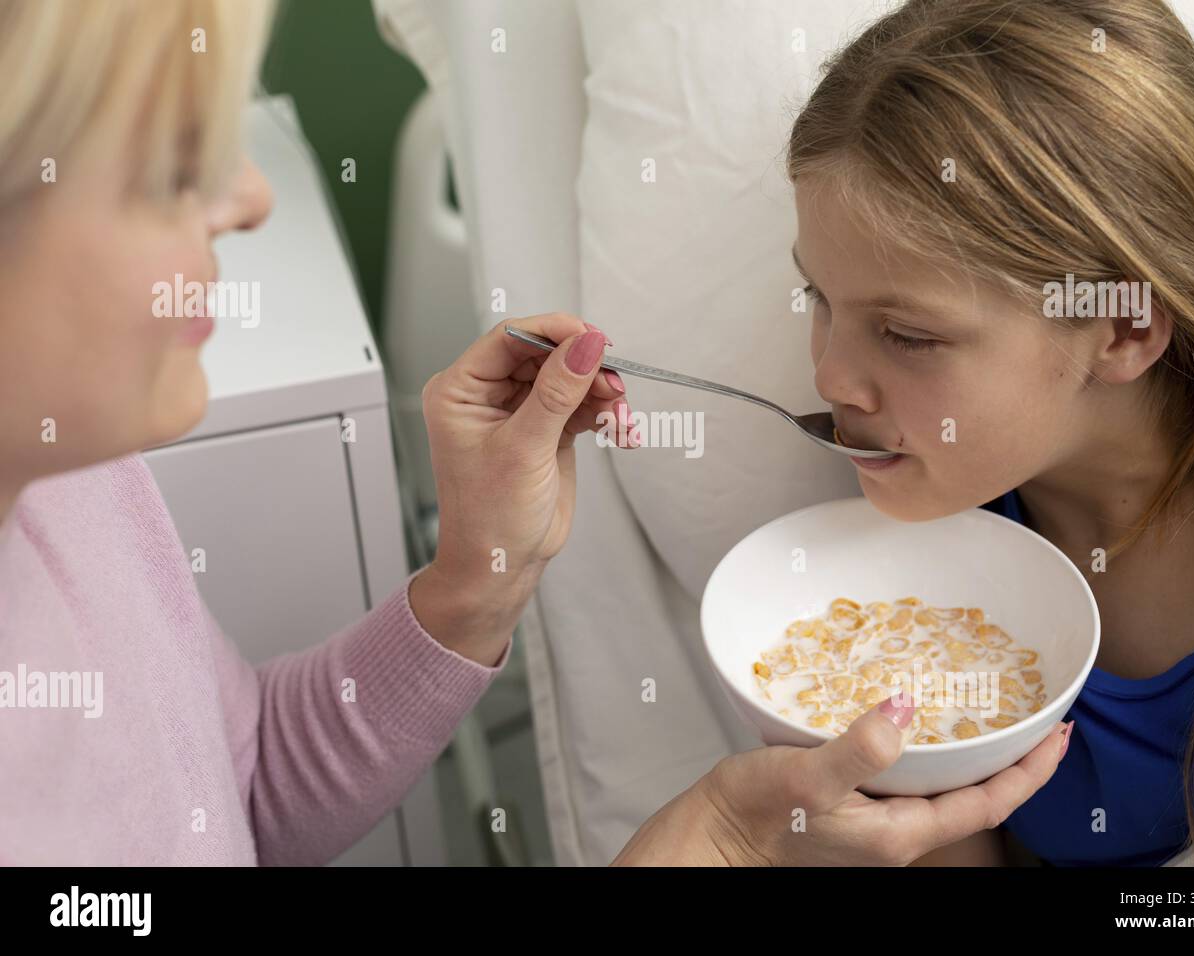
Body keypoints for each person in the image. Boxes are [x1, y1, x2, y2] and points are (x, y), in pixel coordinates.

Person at [0, 0, 1066, 866]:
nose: (248, 197)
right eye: (166, 159)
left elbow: (234, 783)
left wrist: (476, 576)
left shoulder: (73, 485)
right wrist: (725, 840)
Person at [785, 0, 1194, 865]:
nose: (829, 378)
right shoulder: (921, 527)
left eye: (908, 335)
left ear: (1125, 329)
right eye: (817, 300)